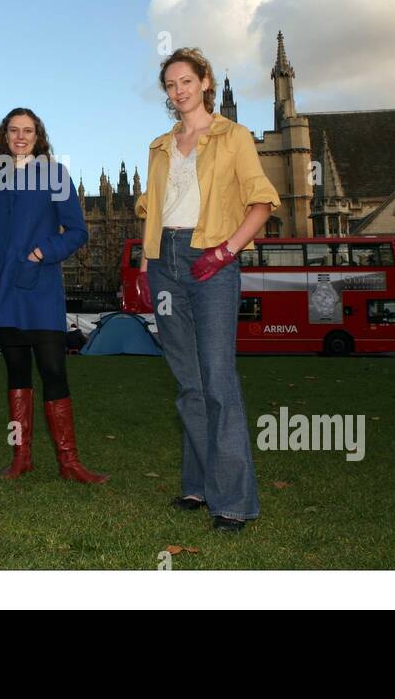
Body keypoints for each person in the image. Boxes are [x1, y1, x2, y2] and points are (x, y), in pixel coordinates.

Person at [136, 47, 281, 533]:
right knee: (188, 383)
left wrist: (227, 250)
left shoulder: (232, 136)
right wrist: (145, 265)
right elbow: (153, 208)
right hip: (165, 263)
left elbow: (261, 202)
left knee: (218, 380)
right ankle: (197, 485)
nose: (179, 91)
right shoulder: (159, 146)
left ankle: (234, 503)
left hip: (211, 257)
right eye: (171, 85)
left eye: (186, 81)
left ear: (204, 82)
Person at [0, 108, 106, 483]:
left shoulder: (53, 174)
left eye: (27, 131)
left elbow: (77, 231)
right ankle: (21, 458)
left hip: (40, 289)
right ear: (5, 136)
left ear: (38, 136)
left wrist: (40, 254)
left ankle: (69, 461)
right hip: (5, 291)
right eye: (14, 130)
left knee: (52, 370)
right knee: (16, 375)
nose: (20, 136)